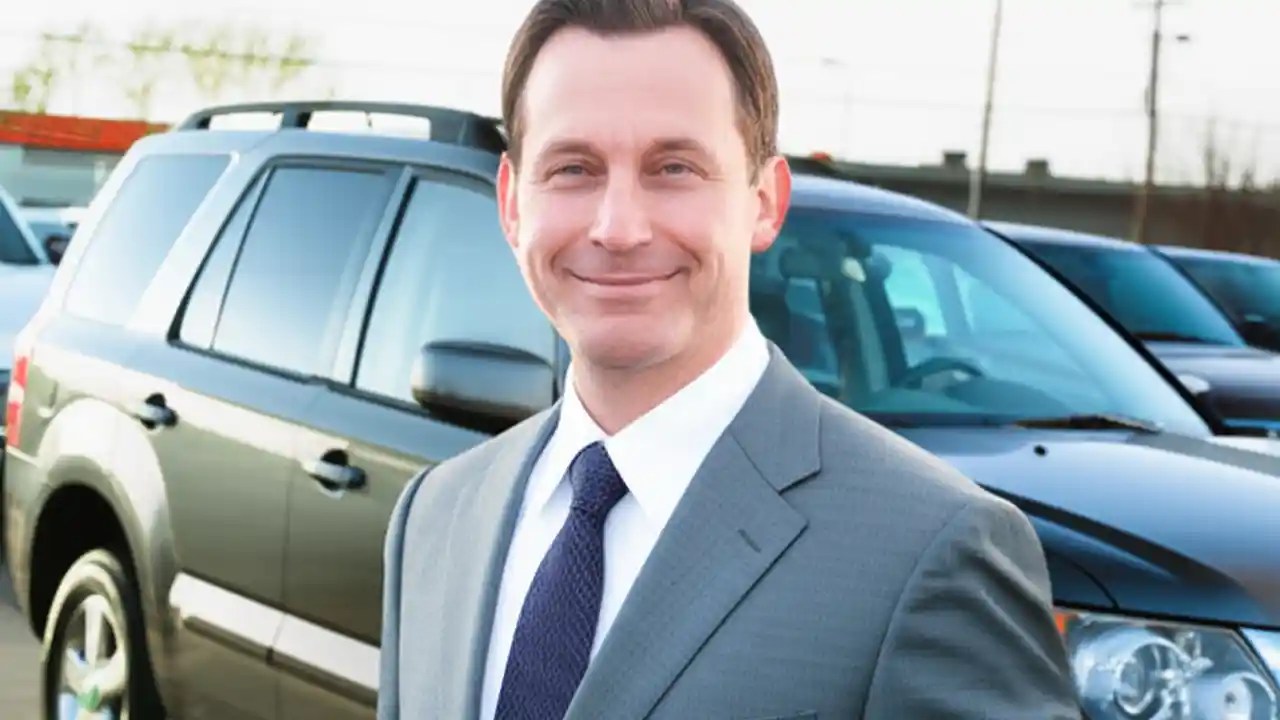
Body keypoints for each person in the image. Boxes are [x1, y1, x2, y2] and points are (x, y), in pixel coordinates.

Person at [377, 1, 1082, 718]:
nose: (618, 227)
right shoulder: (436, 515)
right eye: (572, 168)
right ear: (511, 206)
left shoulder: (932, 550)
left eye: (674, 167)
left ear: (765, 202)